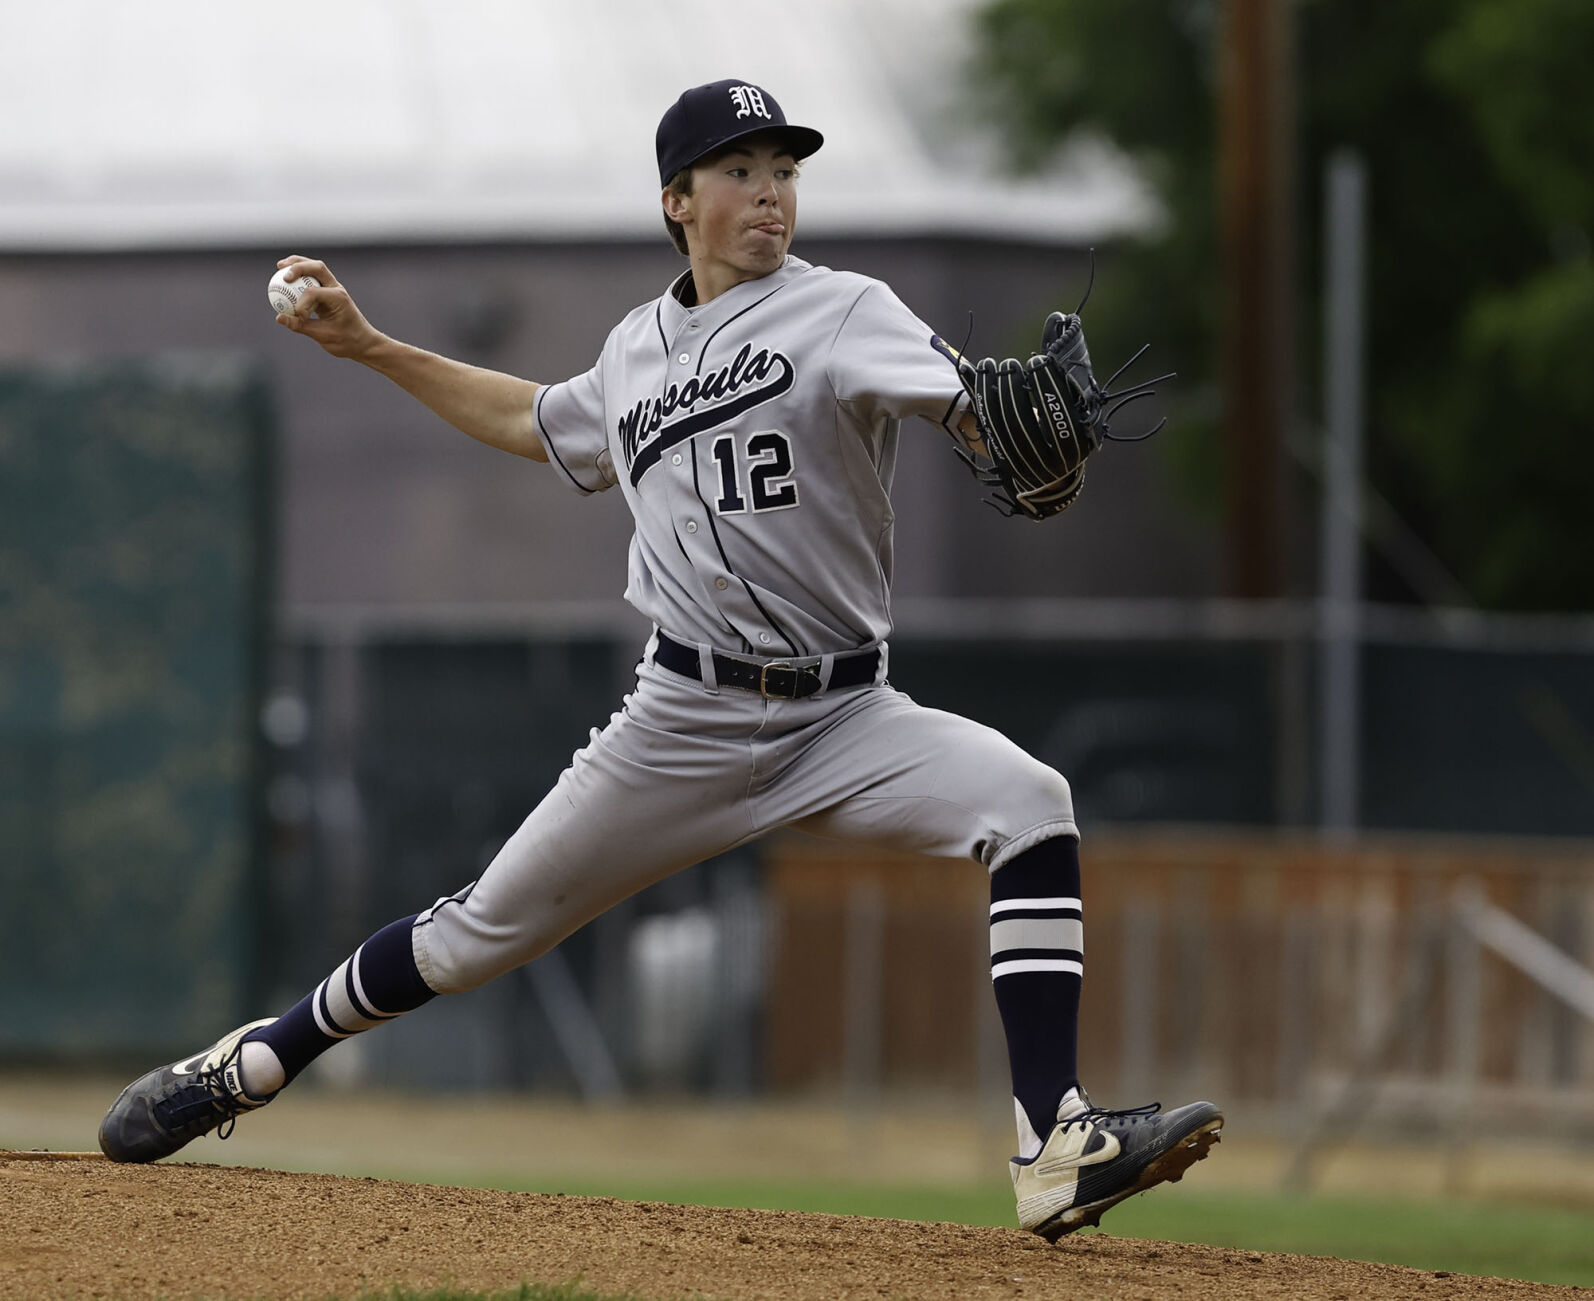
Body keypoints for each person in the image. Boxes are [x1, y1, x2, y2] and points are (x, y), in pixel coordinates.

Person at [97, 78, 1221, 1240]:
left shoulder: (844, 309)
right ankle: (253, 1061)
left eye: (784, 170)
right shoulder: (635, 347)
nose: (770, 193)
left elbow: (975, 413)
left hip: (845, 718)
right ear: (678, 199)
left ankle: (1053, 1144)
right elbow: (536, 422)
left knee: (1029, 799)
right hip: (680, 719)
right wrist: (370, 344)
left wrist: (1011, 431)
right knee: (475, 933)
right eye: (741, 170)